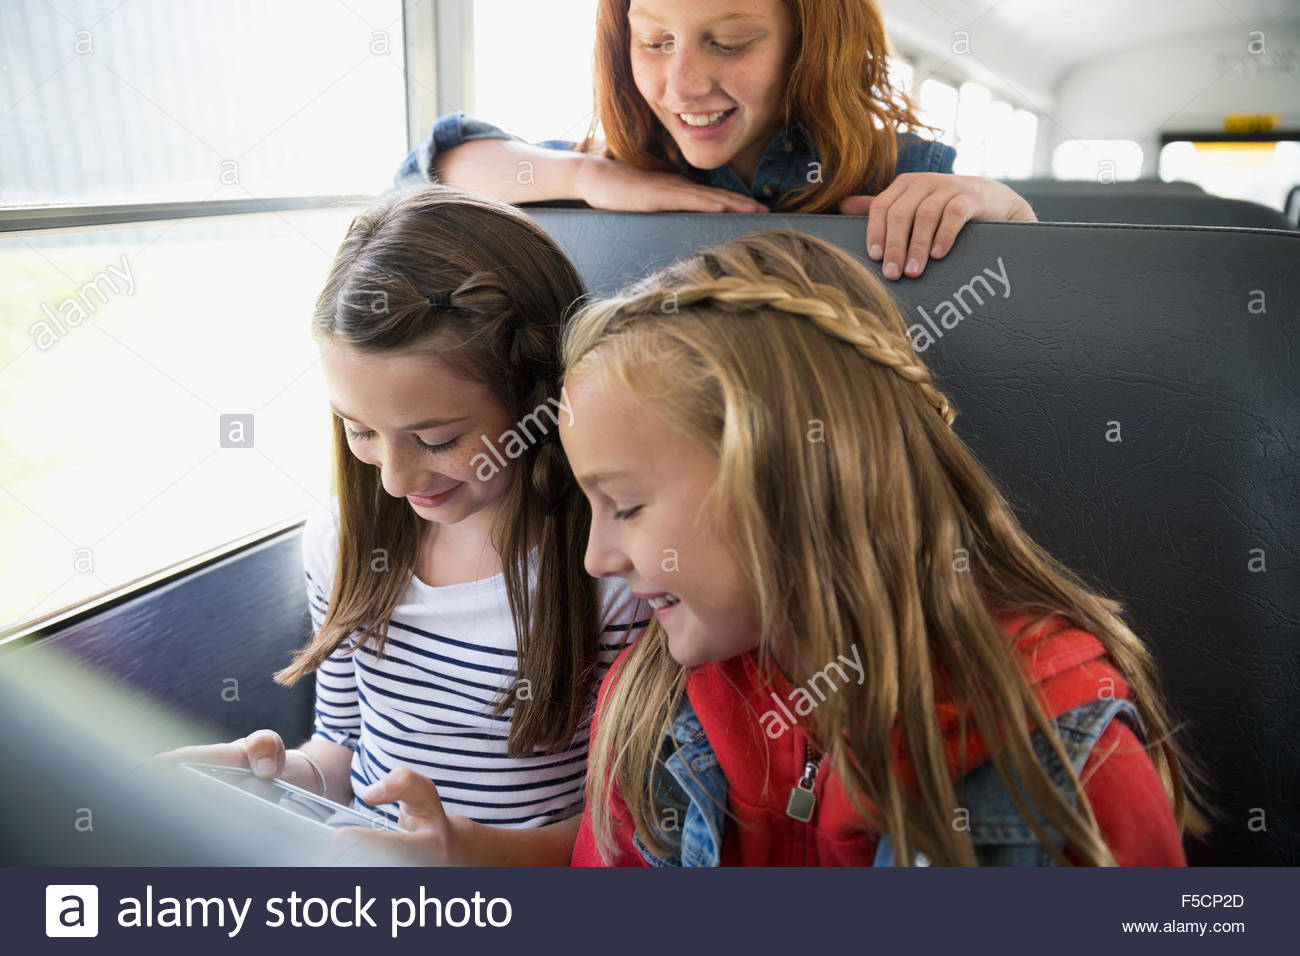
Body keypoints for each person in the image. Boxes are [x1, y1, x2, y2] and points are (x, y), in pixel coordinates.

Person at [556, 229, 1203, 866]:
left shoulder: (1070, 766)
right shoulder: (650, 713)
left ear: (792, 484)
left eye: (629, 506)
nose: (598, 558)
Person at [161, 186, 647, 865]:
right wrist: (273, 777)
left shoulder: (611, 575)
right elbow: (342, 754)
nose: (394, 480)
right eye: (360, 431)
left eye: (438, 439)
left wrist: (460, 851)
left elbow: (617, 833)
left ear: (542, 401)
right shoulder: (343, 540)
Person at [397, 0, 1036, 281]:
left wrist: (1002, 209)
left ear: (811, 47)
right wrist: (590, 178)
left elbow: (1037, 309)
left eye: (729, 43)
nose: (683, 85)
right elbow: (419, 181)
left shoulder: (897, 169)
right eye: (654, 42)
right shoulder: (624, 171)